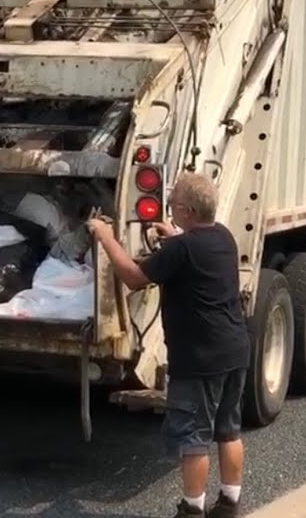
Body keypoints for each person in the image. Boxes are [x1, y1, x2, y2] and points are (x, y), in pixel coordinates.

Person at [87, 172, 250, 518]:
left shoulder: (180, 249)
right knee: (228, 429)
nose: (170, 207)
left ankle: (192, 510)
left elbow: (132, 277)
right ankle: (229, 504)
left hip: (199, 358)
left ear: (188, 211)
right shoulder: (223, 237)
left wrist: (105, 236)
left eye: (174, 203)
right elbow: (193, 250)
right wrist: (176, 237)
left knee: (194, 439)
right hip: (235, 350)